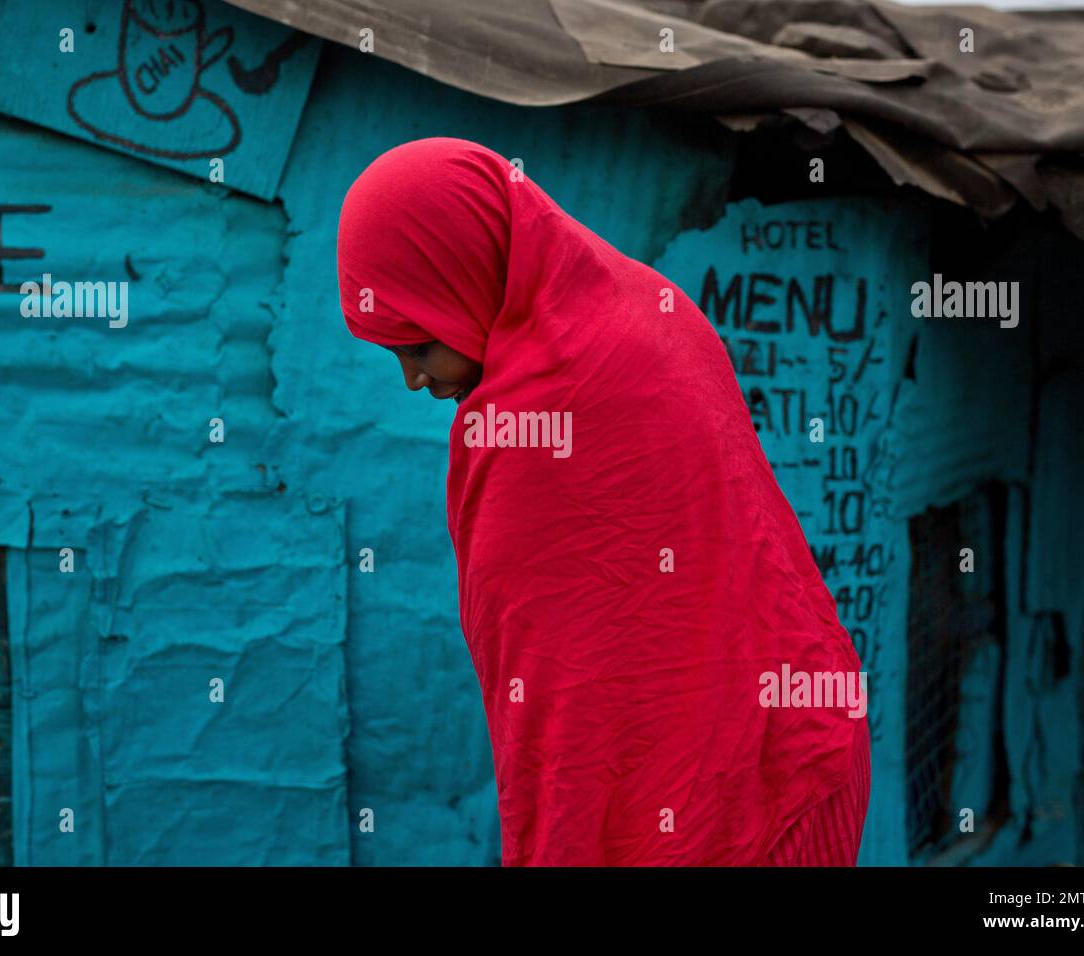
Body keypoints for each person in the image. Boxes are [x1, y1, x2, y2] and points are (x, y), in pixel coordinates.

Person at [337, 136, 870, 866]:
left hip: (726, 817)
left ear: (468, 274)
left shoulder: (534, 423)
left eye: (420, 347)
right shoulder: (647, 310)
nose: (412, 380)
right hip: (800, 755)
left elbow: (566, 711)